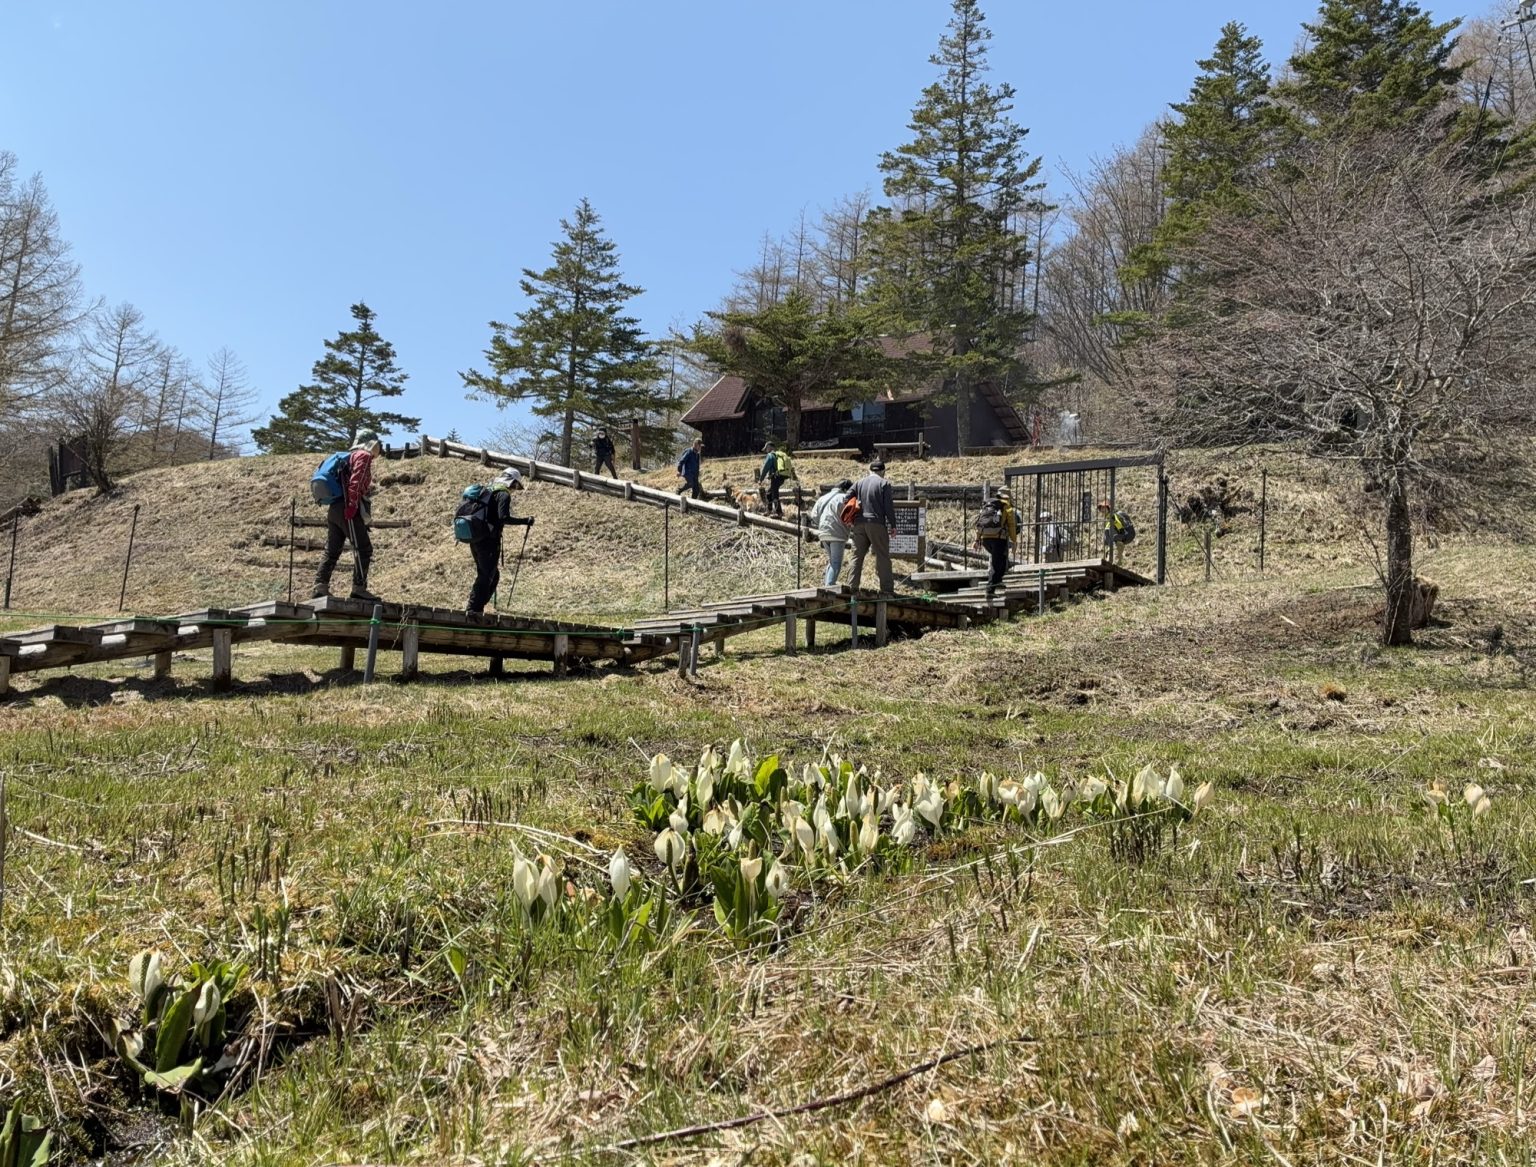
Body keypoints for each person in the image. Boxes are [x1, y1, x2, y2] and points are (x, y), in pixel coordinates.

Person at [312, 431, 382, 602]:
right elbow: (356, 481)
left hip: (334, 508)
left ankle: (320, 586)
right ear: (370, 443)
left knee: (332, 549)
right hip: (347, 507)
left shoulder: (348, 456)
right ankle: (359, 588)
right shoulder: (363, 456)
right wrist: (352, 506)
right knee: (363, 548)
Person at [466, 468, 534, 615]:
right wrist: (525, 521)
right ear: (513, 482)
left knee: (492, 575)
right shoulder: (503, 494)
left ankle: (478, 607)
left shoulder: (489, 489)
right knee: (487, 575)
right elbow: (503, 517)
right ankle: (472, 609)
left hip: (476, 538)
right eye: (516, 486)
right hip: (489, 541)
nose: (516, 489)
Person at [848, 460, 897, 596]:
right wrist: (893, 525)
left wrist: (852, 514)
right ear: (883, 472)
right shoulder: (884, 483)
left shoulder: (859, 483)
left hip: (859, 523)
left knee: (857, 555)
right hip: (876, 523)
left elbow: (847, 497)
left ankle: (852, 586)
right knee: (882, 555)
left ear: (869, 471)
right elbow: (888, 507)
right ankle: (887, 589)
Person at [810, 478, 855, 587]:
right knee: (836, 563)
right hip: (837, 534)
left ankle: (827, 584)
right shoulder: (844, 498)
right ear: (846, 489)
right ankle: (829, 587)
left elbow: (814, 516)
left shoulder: (823, 498)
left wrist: (823, 524)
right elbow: (851, 518)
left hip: (823, 533)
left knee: (832, 561)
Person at [975, 487, 1018, 595]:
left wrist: (977, 539)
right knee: (996, 563)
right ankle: (990, 589)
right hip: (998, 539)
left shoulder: (987, 505)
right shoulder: (1007, 507)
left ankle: (998, 581)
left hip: (985, 539)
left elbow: (980, 523)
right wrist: (1014, 541)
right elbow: (1012, 525)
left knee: (1002, 559)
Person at [754, 441, 796, 518]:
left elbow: (765, 468)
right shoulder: (778, 455)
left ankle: (778, 513)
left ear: (769, 447)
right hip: (782, 477)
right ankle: (769, 510)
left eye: (766, 448)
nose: (766, 451)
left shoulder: (771, 455)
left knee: (774, 495)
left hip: (776, 477)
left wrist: (761, 479)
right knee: (769, 494)